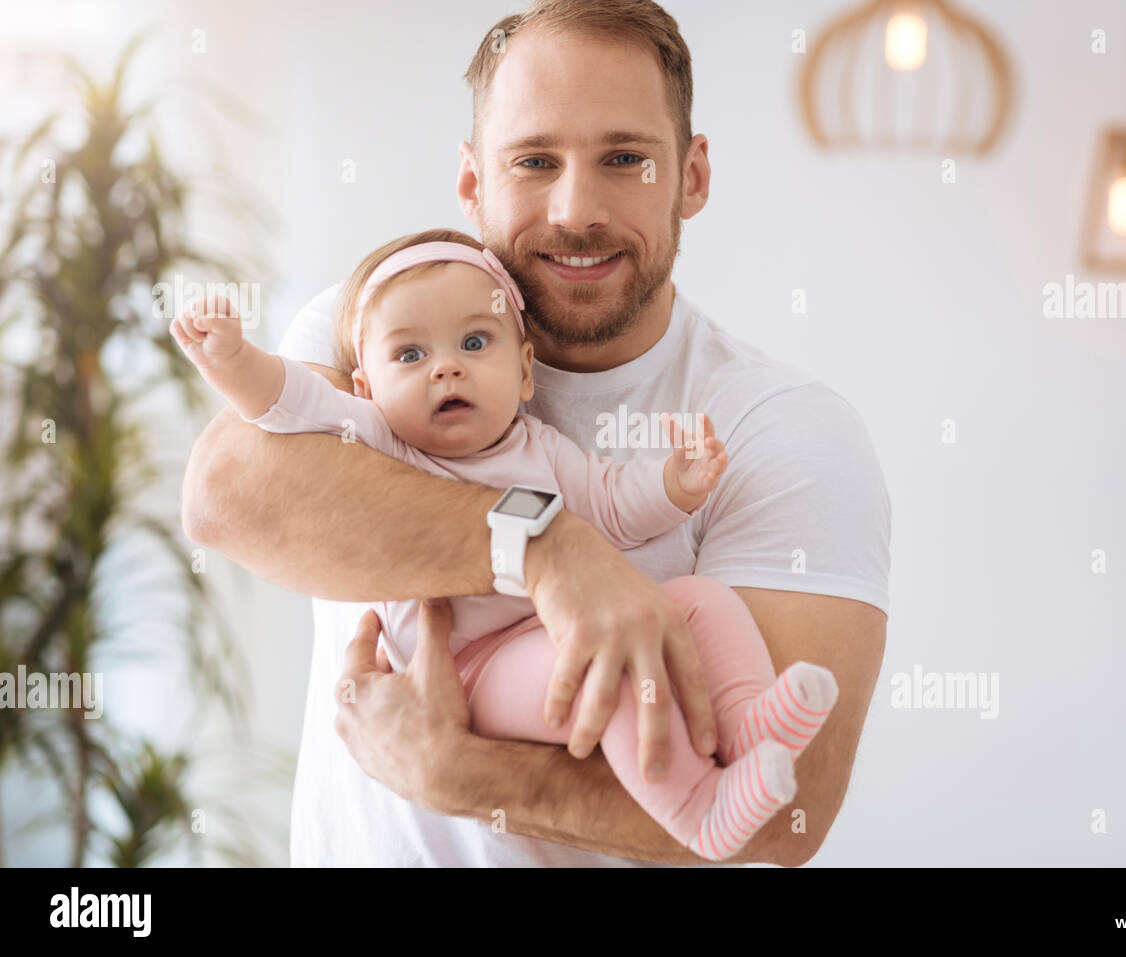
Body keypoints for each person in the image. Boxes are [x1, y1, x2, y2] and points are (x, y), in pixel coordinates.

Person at [181, 0, 891, 867]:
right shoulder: (370, 328)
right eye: (533, 160)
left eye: (625, 158)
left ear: (692, 177)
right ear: (474, 181)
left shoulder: (782, 428)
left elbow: (788, 819)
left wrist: (464, 774)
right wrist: (547, 550)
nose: (575, 208)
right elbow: (229, 498)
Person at [170, 229, 841, 860]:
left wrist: (675, 482)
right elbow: (285, 401)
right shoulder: (377, 436)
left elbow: (611, 503)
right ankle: (700, 807)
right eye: (411, 354)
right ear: (367, 388)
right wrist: (231, 358)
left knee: (700, 600)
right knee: (598, 671)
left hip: (534, 635)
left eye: (474, 343)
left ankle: (748, 719)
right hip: (468, 670)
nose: (445, 370)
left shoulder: (540, 447)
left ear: (524, 373)